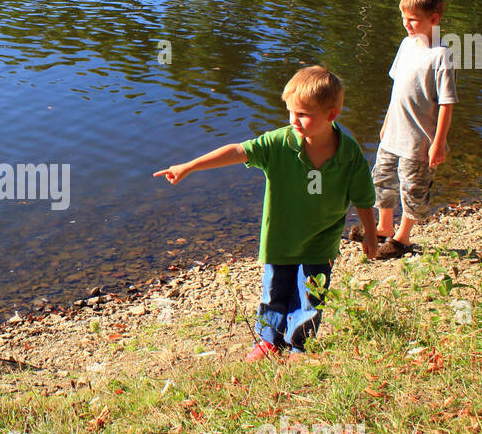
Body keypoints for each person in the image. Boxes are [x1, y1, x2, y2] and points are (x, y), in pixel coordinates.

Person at [155, 66, 379, 359]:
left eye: (303, 114)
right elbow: (238, 151)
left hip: (321, 240)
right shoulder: (278, 143)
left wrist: (370, 234)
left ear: (331, 115)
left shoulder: (349, 155)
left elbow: (363, 197)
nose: (294, 120)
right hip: (281, 238)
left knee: (311, 297)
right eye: (290, 112)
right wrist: (189, 166)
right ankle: (269, 340)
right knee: (275, 291)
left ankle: (300, 344)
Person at [367, 0, 458, 258]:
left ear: (434, 18)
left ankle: (402, 238)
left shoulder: (441, 55)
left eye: (413, 19)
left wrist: (438, 143)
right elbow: (398, 91)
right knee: (382, 178)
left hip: (419, 140)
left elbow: (446, 104)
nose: (406, 24)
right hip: (394, 132)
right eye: (403, 17)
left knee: (413, 188)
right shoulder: (407, 45)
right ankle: (384, 225)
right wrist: (385, 123)